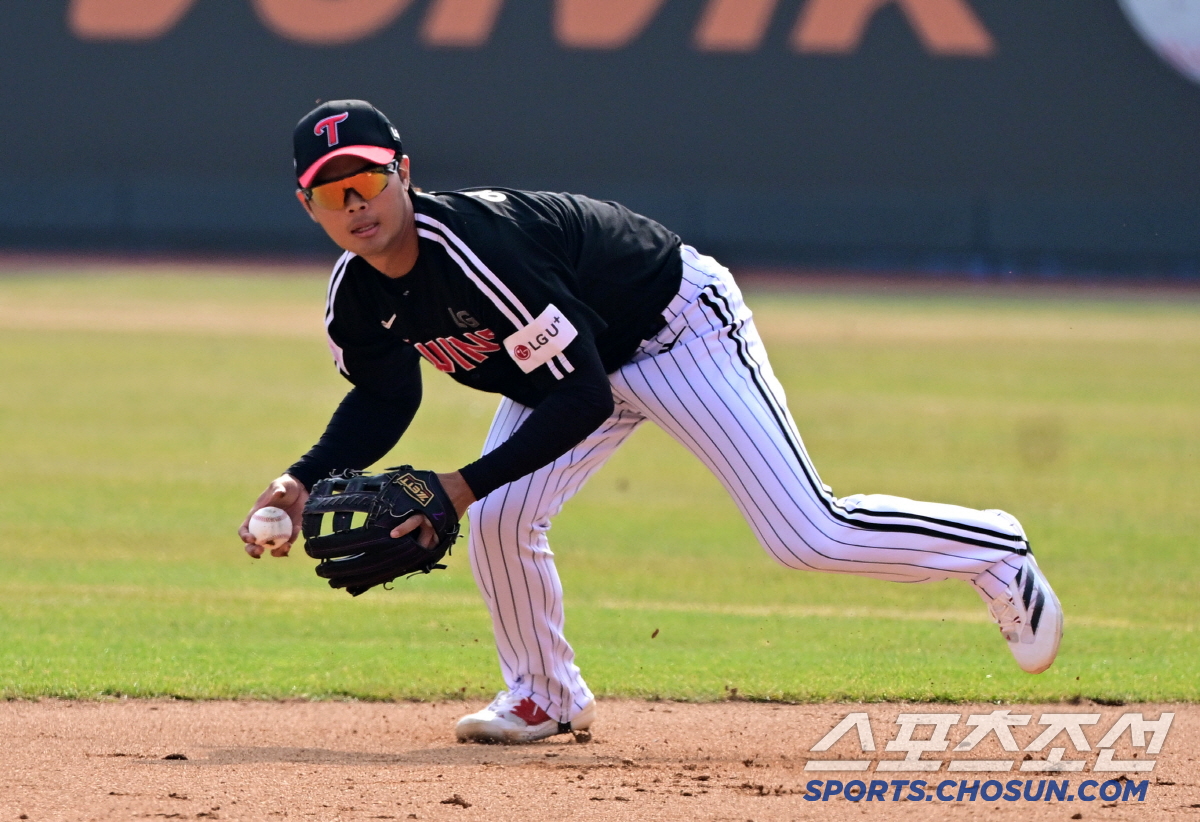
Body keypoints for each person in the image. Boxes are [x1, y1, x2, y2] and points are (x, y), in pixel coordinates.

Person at [239, 100, 1063, 744]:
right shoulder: (356, 294)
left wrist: (455, 486)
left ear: (404, 173)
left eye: (369, 179)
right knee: (498, 517)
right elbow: (389, 398)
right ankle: (544, 696)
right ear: (306, 204)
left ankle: (994, 550)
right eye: (332, 191)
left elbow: (583, 399)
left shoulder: (479, 252)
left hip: (674, 330)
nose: (356, 204)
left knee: (807, 534)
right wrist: (297, 481)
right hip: (570, 363)